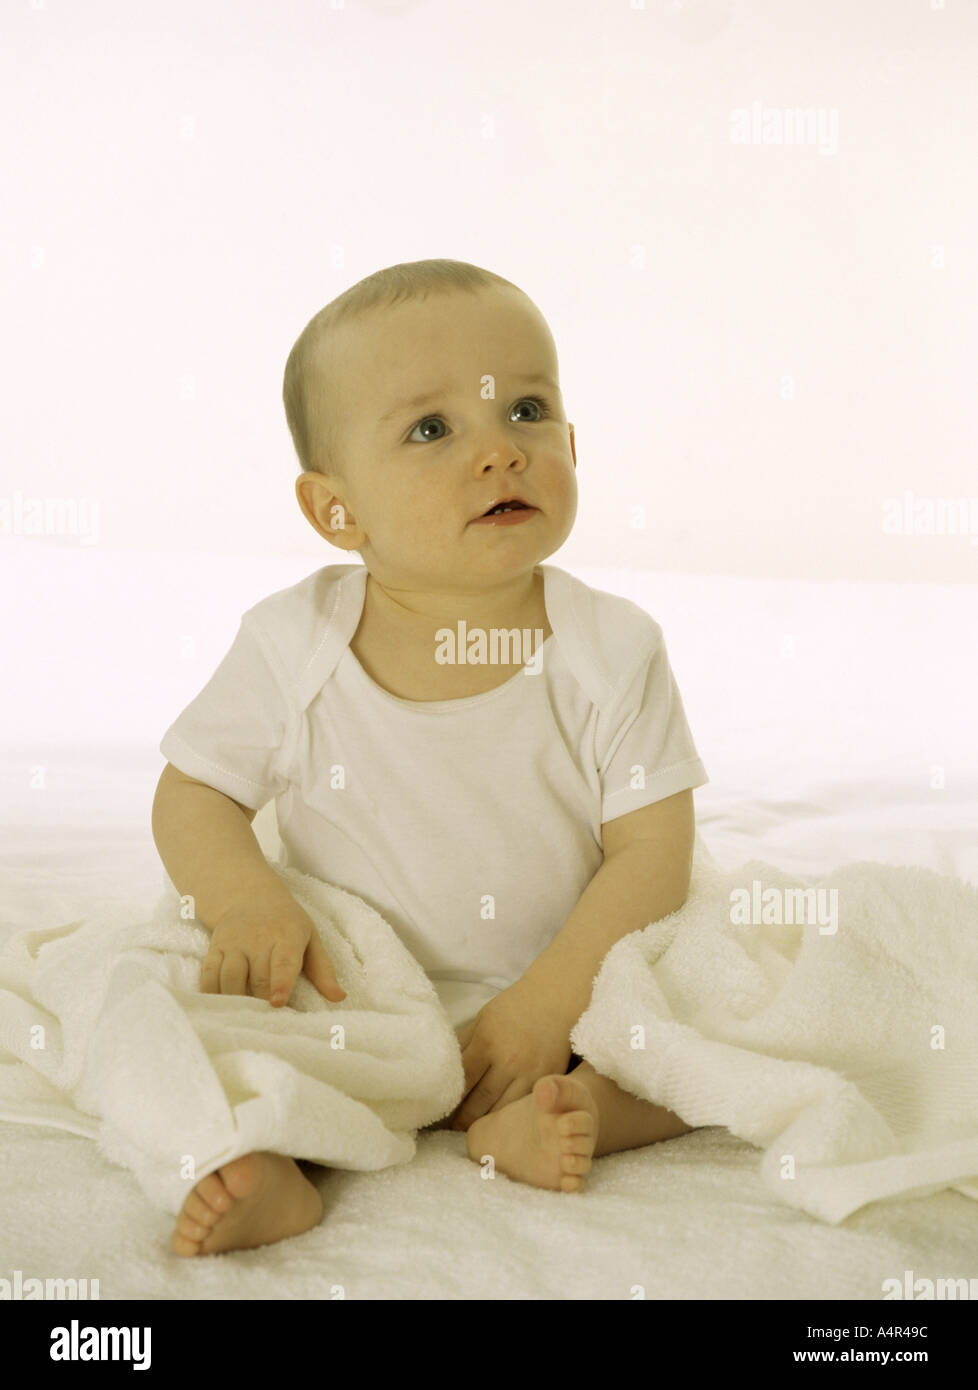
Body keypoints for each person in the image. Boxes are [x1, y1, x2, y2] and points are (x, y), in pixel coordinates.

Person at [153, 258, 708, 1256]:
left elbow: (655, 854)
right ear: (336, 511)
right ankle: (281, 1152)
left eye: (527, 411)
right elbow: (194, 795)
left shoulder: (611, 648)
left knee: (723, 993)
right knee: (188, 1004)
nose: (499, 453)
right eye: (431, 429)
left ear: (573, 443)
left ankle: (578, 1112)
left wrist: (550, 999)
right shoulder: (296, 645)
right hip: (364, 979)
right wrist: (247, 904)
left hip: (570, 970)